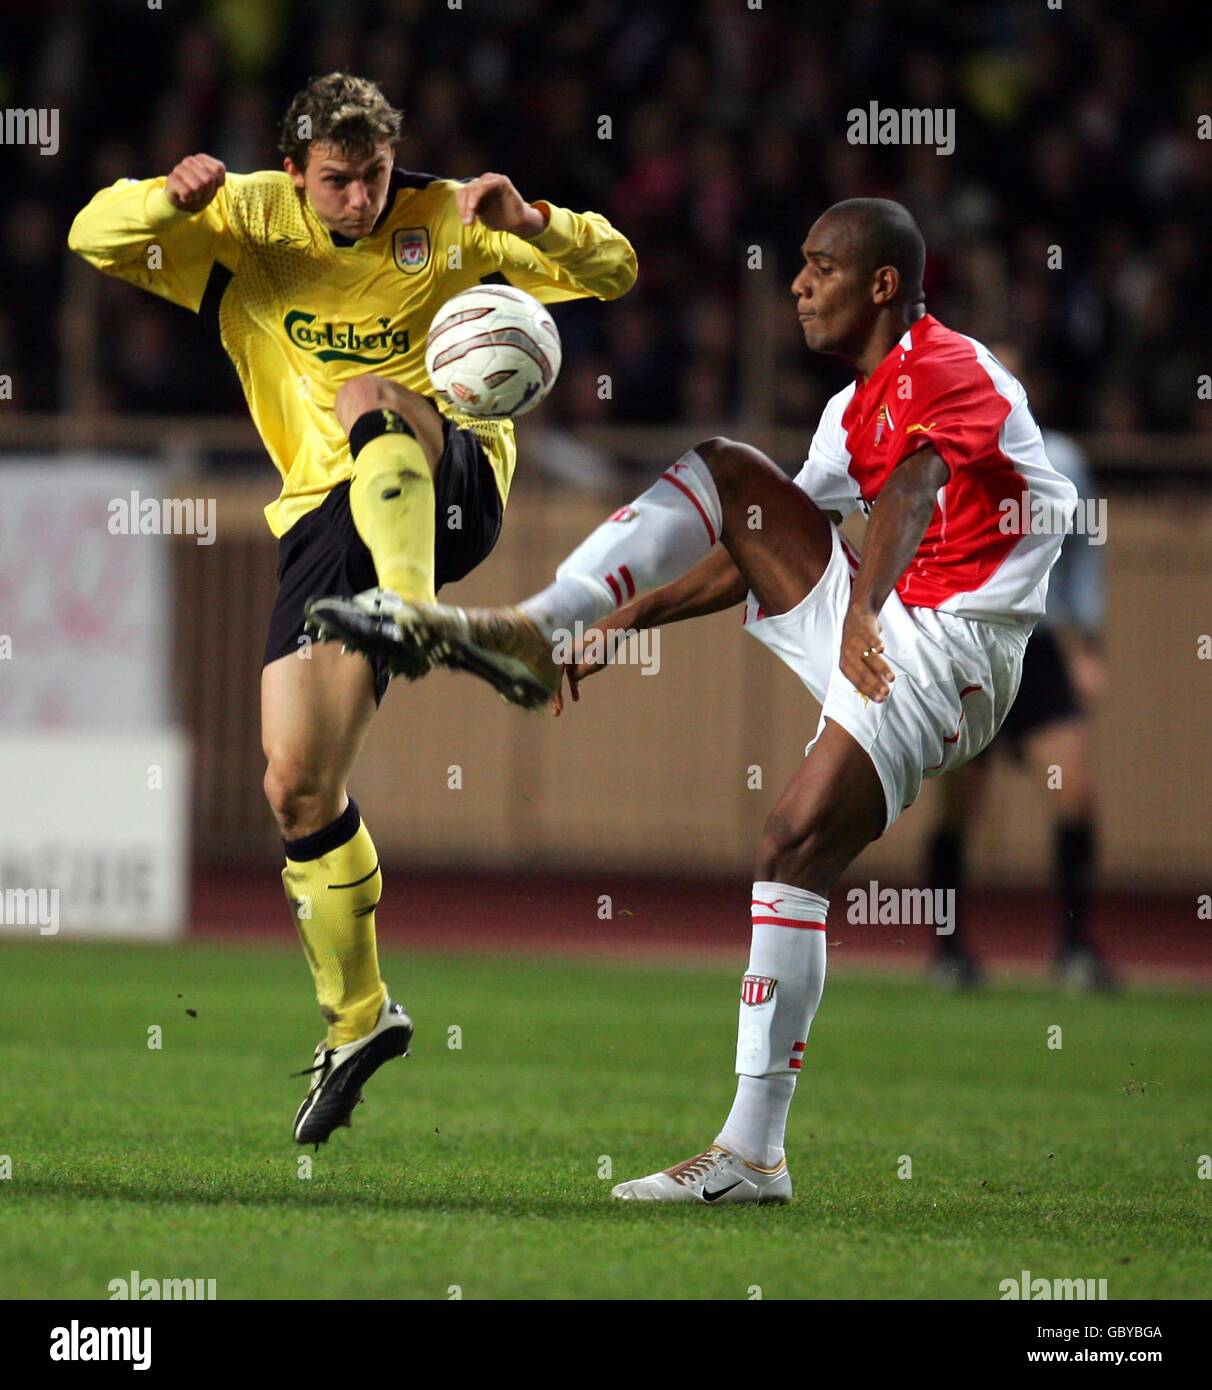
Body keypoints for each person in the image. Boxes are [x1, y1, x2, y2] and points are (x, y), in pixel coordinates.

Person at [350, 197, 1078, 1204]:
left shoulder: (945, 364)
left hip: (952, 643)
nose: (797, 283)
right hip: (889, 619)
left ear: (881, 285)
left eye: (821, 266)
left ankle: (750, 1154)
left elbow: (914, 485)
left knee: (789, 840)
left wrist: (864, 610)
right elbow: (752, 544)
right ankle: (552, 616)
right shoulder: (848, 407)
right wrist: (623, 623)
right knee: (731, 471)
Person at [68, 71, 637, 1146]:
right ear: (293, 172)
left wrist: (536, 221)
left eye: (374, 174)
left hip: (451, 479)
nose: (360, 199)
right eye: (337, 180)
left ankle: (416, 613)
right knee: (295, 783)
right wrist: (166, 199)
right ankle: (359, 1017)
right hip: (320, 522)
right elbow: (93, 236)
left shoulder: (449, 219)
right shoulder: (242, 215)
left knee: (368, 396)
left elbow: (615, 268)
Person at [926, 343, 1111, 993]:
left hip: (1039, 645)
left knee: (1075, 794)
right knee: (959, 808)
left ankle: (1075, 948)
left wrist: (1088, 647)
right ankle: (948, 951)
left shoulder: (1060, 460)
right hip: (971, 644)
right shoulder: (945, 455)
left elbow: (1084, 556)